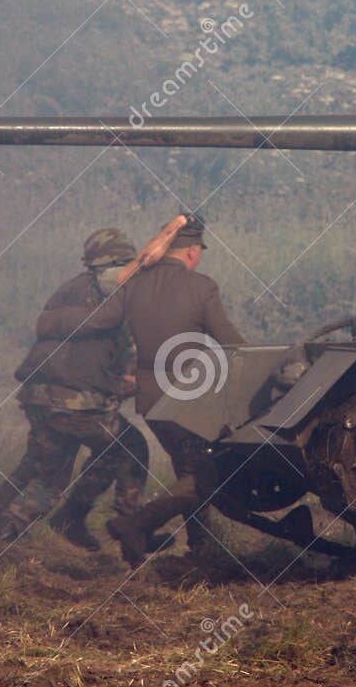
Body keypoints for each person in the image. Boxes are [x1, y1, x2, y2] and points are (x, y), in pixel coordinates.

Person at [36, 213, 245, 565]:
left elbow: (97, 321)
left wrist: (49, 323)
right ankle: (136, 524)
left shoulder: (134, 285)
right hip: (192, 401)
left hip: (152, 402)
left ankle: (200, 544)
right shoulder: (203, 287)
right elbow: (230, 343)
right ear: (193, 252)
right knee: (204, 473)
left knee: (189, 470)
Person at [0, 219, 185, 547]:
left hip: (40, 397)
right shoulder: (111, 286)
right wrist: (173, 229)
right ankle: (129, 527)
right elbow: (123, 360)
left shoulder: (70, 290)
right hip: (75, 404)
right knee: (130, 448)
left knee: (43, 469)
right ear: (115, 263)